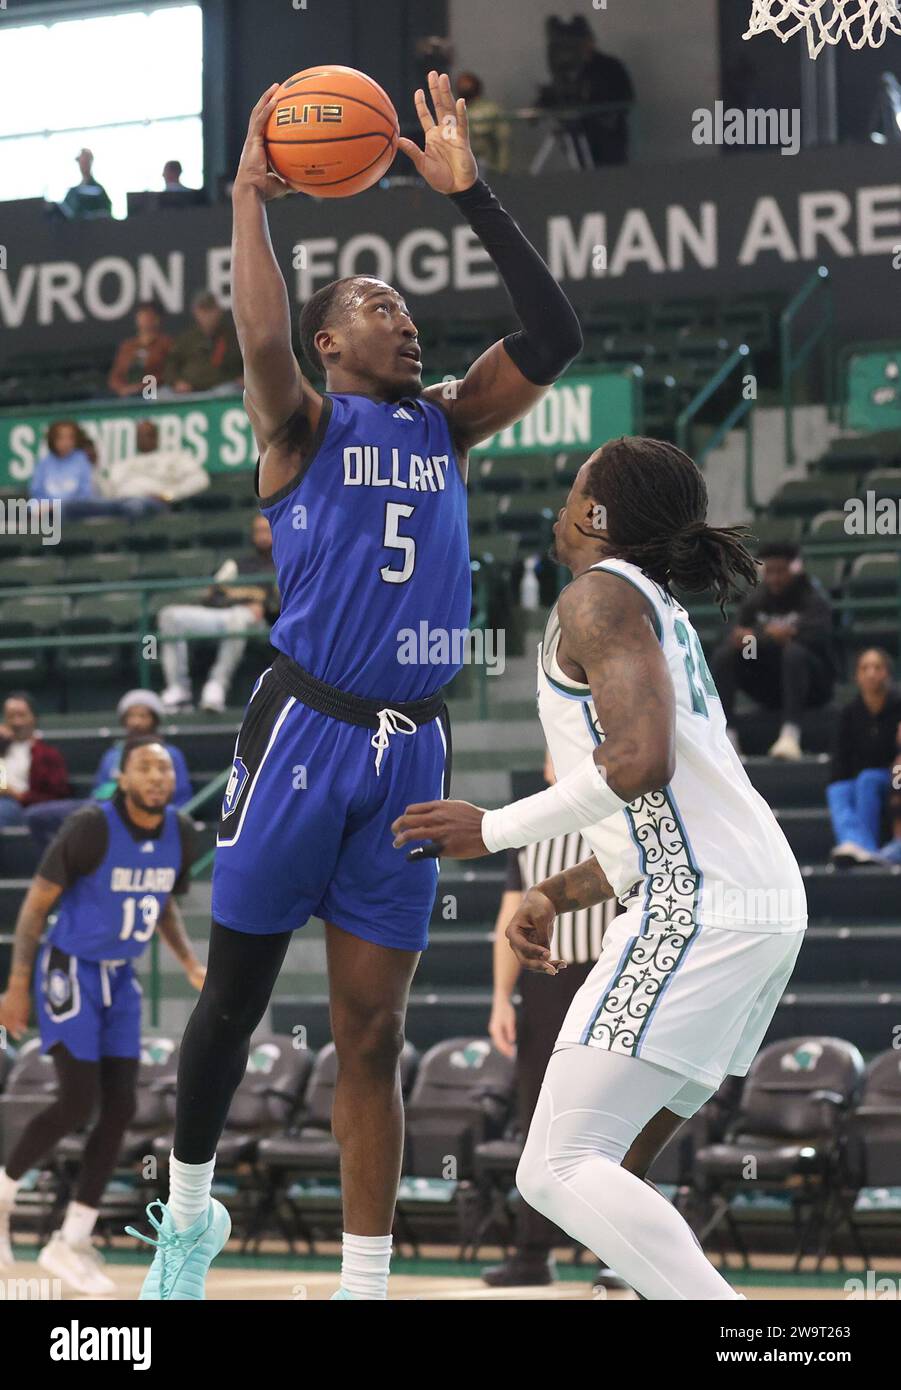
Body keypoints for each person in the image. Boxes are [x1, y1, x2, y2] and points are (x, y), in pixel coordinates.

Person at [129, 72, 581, 1301]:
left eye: (405, 305)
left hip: (412, 753)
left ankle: (365, 1282)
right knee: (229, 1000)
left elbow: (554, 338)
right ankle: (185, 1215)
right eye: (379, 305)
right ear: (333, 341)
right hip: (302, 732)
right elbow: (262, 336)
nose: (405, 318)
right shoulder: (302, 425)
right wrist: (246, 203)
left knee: (370, 1034)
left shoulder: (447, 423)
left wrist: (473, 194)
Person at [392, 436, 808, 1302]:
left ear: (593, 514)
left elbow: (638, 763)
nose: (558, 504)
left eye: (572, 488)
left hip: (700, 903)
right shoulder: (655, 608)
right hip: (750, 897)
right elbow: (652, 807)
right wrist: (554, 887)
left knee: (554, 1168)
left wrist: (496, 828)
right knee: (610, 1160)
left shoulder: (596, 598)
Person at [0, 737, 203, 1292]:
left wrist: (189, 962)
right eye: (146, 766)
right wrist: (16, 988)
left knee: (122, 1107)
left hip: (120, 976)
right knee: (76, 1099)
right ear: (123, 776)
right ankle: (5, 1187)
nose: (158, 776)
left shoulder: (181, 834)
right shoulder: (90, 827)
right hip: (70, 968)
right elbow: (35, 906)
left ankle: (72, 1240)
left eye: (165, 767)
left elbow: (160, 902)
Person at [483, 749, 621, 1289]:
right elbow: (509, 915)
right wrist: (500, 998)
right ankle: (532, 1250)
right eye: (551, 756)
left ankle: (618, 1249)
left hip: (607, 976)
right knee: (537, 1113)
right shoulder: (528, 827)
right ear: (545, 767)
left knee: (613, 1113)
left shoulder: (618, 815)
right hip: (544, 987)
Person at [24, 689, 194, 855]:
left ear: (154, 720)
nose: (136, 722)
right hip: (102, 807)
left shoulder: (169, 754)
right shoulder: (113, 753)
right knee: (37, 816)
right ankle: (64, 871)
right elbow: (98, 790)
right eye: (131, 716)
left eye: (142, 716)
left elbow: (182, 796)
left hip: (140, 811)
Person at [710, 541, 836, 760]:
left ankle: (790, 735)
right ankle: (728, 735)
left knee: (793, 652)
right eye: (770, 572)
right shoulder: (756, 600)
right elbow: (738, 636)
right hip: (771, 685)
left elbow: (818, 637)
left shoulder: (812, 599)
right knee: (728, 656)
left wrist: (778, 635)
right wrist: (765, 636)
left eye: (781, 572)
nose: (775, 578)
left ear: (795, 570)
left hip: (812, 687)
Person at [157, 514, 277, 713]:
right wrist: (248, 598)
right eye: (258, 531)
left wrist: (260, 603)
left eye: (267, 530)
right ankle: (178, 689)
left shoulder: (286, 563)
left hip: (263, 623)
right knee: (169, 615)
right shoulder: (237, 565)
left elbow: (278, 604)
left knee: (238, 617)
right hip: (226, 615)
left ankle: (217, 685)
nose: (262, 536)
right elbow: (212, 595)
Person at [826, 648, 901, 866]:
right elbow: (840, 757)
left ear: (887, 673)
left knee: (867, 779)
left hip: (895, 774)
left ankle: (866, 848)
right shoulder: (849, 713)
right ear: (857, 675)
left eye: (877, 667)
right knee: (838, 789)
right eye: (865, 668)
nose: (871, 673)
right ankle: (852, 841)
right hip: (863, 776)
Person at [538, 17, 634, 168]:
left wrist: (596, 104)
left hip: (608, 142)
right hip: (579, 139)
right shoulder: (569, 72)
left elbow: (625, 100)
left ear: (590, 42)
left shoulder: (610, 67)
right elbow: (561, 95)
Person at [29, 421, 158, 521]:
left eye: (69, 438)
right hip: (48, 512)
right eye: (61, 438)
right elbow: (36, 493)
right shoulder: (44, 464)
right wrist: (47, 507)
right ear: (53, 440)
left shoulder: (82, 460)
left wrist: (59, 506)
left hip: (77, 509)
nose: (65, 442)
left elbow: (85, 494)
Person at [0, 693, 70, 830]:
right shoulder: (1, 746)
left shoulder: (47, 754)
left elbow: (57, 798)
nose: (16, 722)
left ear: (34, 717)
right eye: (10, 716)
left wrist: (16, 794)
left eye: (21, 715)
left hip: (21, 807)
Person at [102, 420, 208, 506]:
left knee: (135, 506)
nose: (143, 439)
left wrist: (170, 495)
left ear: (156, 437)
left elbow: (200, 480)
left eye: (147, 435)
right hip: (121, 503)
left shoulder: (175, 458)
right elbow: (107, 490)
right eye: (139, 436)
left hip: (152, 503)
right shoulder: (122, 465)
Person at [164, 291, 243, 396]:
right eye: (203, 310)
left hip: (219, 388)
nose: (207, 315)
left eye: (210, 310)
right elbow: (171, 366)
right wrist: (176, 382)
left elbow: (246, 363)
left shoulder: (232, 336)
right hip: (188, 389)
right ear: (195, 312)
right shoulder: (187, 338)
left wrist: (244, 378)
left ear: (219, 311)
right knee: (162, 394)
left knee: (229, 391)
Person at [108, 303, 173, 398]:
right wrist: (122, 388)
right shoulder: (127, 346)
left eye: (148, 317)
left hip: (157, 391)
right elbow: (115, 375)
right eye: (141, 317)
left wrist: (143, 386)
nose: (144, 321)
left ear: (157, 320)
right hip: (128, 393)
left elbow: (169, 372)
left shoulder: (166, 343)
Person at [455, 73, 511, 175]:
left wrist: (503, 167)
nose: (464, 86)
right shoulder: (453, 111)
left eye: (468, 84)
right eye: (461, 84)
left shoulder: (490, 109)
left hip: (487, 167)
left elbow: (503, 139)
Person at [60, 148, 112, 220]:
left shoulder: (99, 190)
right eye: (81, 162)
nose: (83, 165)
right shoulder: (73, 192)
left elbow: (106, 212)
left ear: (90, 162)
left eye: (86, 161)